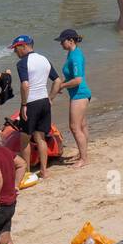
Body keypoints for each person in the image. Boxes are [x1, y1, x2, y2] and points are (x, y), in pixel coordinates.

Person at [10, 36, 59, 179]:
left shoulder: (22, 63)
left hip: (31, 103)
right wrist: (50, 98)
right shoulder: (44, 59)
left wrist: (24, 105)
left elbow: (25, 85)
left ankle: (26, 172)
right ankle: (44, 171)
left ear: (23, 46)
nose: (15, 52)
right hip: (44, 101)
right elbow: (57, 81)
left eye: (16, 48)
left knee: (25, 138)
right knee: (41, 137)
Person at [50, 30, 91, 168]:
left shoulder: (75, 57)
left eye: (62, 41)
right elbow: (71, 77)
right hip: (79, 94)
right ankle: (83, 153)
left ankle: (84, 159)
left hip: (80, 95)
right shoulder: (72, 54)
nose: (61, 44)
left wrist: (62, 85)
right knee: (82, 125)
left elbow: (78, 80)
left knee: (74, 127)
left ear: (71, 41)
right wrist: (62, 84)